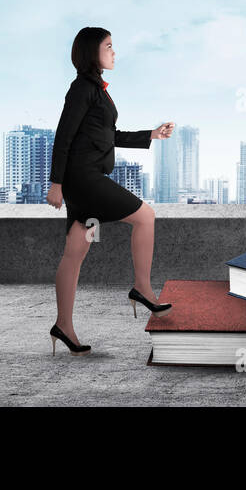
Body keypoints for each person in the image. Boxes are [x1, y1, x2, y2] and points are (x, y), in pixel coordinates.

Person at [45, 26, 175, 356]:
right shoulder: (81, 89)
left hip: (84, 180)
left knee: (75, 251)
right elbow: (63, 136)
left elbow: (110, 135)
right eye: (109, 46)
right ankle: (142, 288)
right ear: (93, 52)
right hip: (85, 180)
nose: (115, 52)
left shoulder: (96, 91)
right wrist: (56, 183)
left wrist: (153, 134)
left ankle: (63, 326)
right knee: (145, 217)